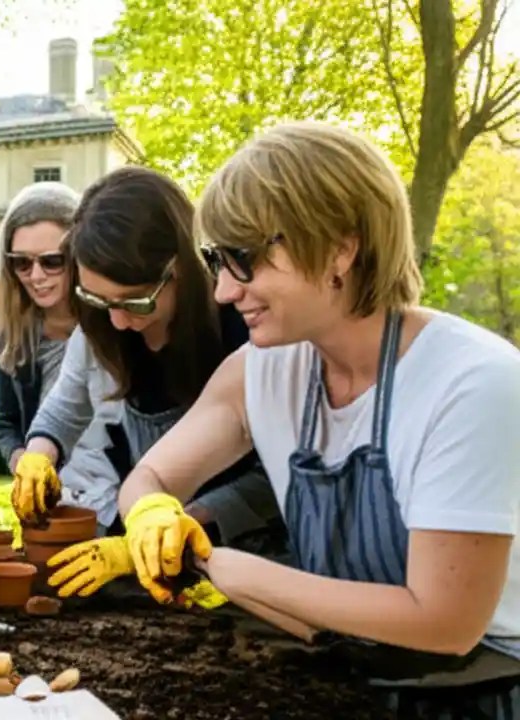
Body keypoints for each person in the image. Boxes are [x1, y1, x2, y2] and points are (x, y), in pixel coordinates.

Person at [104, 122, 520, 716]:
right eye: (216, 261)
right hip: (341, 676)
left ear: (339, 249)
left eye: (243, 260)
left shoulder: (473, 383)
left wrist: (219, 567)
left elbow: (444, 621)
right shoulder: (260, 372)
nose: (223, 291)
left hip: (478, 694)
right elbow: (150, 479)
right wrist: (148, 517)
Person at [10, 166, 282, 548]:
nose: (118, 322)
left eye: (135, 302)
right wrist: (38, 456)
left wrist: (184, 524)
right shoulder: (101, 321)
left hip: (250, 544)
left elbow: (275, 474)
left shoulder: (244, 330)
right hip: (149, 522)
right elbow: (65, 409)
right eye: (100, 300)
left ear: (180, 269)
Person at [0, 181, 126, 518]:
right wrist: (24, 460)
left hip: (120, 500)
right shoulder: (9, 333)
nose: (36, 276)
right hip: (50, 505)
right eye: (21, 263)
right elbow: (7, 422)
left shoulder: (117, 322)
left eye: (52, 261)